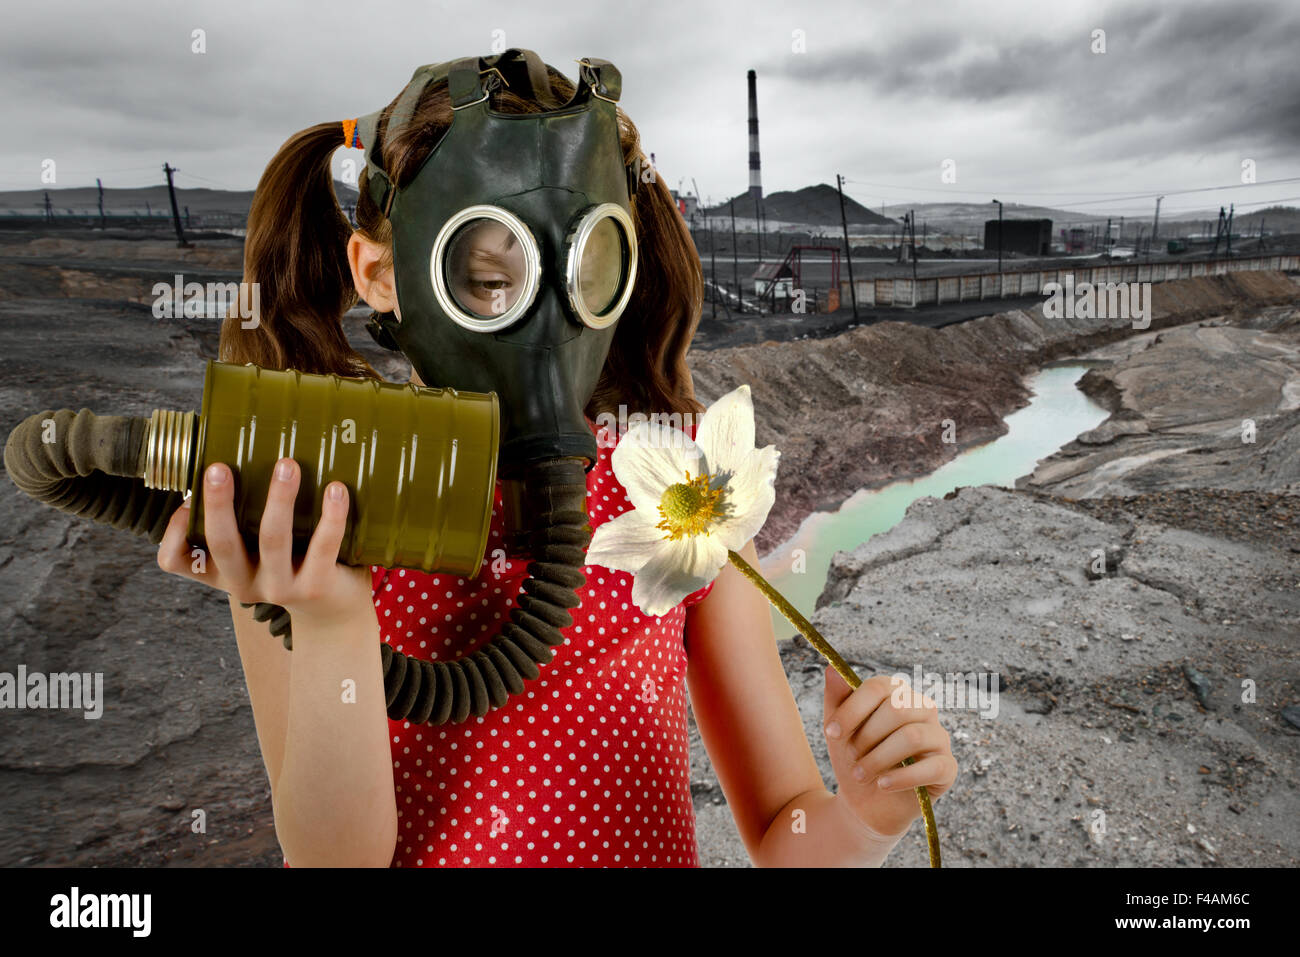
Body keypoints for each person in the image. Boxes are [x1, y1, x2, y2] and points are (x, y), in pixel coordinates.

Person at [155, 51, 956, 868]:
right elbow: (334, 859)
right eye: (487, 279)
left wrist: (866, 815)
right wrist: (330, 619)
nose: (542, 325)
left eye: (582, 271)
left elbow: (788, 825)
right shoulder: (311, 512)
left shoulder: (683, 494)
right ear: (380, 274)